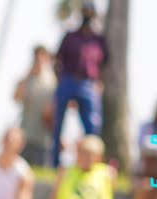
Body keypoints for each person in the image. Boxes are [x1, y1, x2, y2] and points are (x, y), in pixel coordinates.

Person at [50, 1, 107, 168]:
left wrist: (98, 85)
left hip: (88, 84)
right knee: (58, 123)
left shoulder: (99, 41)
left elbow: (104, 66)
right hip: (67, 80)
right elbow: (57, 61)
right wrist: (61, 82)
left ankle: (91, 163)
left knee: (92, 126)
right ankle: (55, 162)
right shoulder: (70, 36)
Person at [14, 45, 56, 167]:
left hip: (44, 137)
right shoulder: (26, 79)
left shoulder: (53, 80)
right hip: (25, 134)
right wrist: (28, 76)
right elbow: (16, 98)